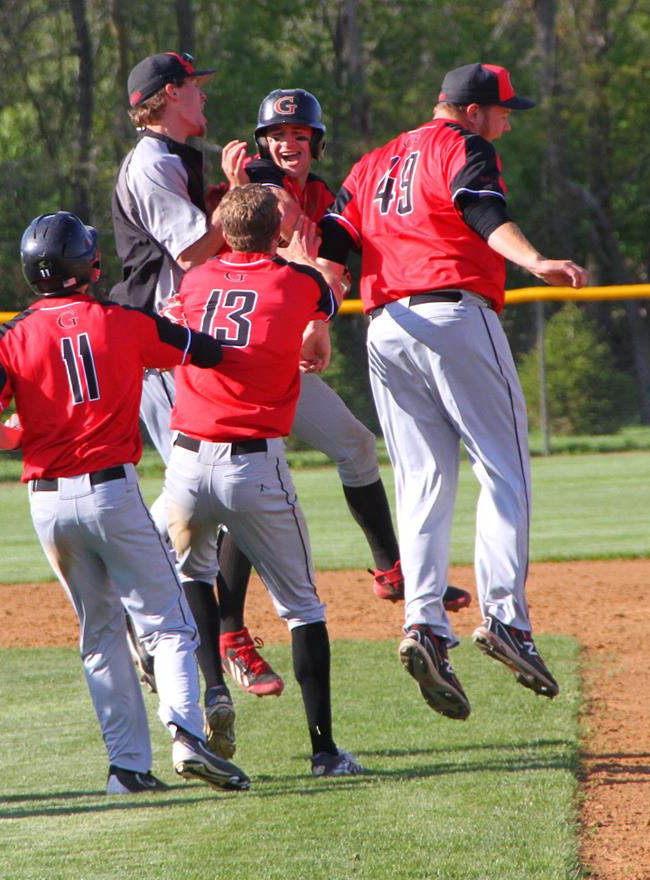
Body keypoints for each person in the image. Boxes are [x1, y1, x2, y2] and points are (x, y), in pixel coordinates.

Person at [318, 63, 589, 721]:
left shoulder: (372, 162)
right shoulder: (463, 146)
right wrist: (533, 260)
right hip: (453, 313)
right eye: (502, 111)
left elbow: (333, 243)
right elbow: (481, 207)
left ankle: (425, 624)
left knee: (421, 481)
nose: (507, 123)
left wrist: (315, 313)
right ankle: (506, 618)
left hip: (385, 328)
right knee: (503, 469)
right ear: (471, 111)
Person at [0, 211, 248, 794]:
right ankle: (187, 737)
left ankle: (127, 770)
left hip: (47, 503)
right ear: (87, 264)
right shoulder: (120, 320)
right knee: (169, 623)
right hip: (110, 491)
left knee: (100, 635)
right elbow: (207, 352)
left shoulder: (10, 335)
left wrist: (18, 439)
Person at [201, 89, 472, 705]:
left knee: (355, 446)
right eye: (276, 135)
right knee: (249, 485)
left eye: (299, 135)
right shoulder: (251, 186)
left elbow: (330, 265)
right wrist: (246, 193)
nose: (287, 144)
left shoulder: (323, 196)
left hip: (281, 360)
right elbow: (263, 233)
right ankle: (228, 630)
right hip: (236, 369)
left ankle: (392, 570)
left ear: (316, 142)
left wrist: (317, 308)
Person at [106, 52, 291, 713]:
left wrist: (229, 193)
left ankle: (202, 630)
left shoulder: (175, 156)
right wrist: (237, 199)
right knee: (199, 492)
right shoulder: (151, 162)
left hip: (188, 340)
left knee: (215, 490)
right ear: (167, 95)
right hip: (166, 346)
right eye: (194, 87)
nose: (203, 97)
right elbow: (192, 250)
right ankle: (149, 615)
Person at [160, 184, 363, 777]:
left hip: (186, 458)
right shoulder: (294, 282)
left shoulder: (194, 280)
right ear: (277, 231)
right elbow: (328, 295)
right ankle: (324, 752)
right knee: (302, 608)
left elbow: (171, 328)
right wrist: (299, 255)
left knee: (193, 575)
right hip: (253, 460)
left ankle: (214, 689)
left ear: (223, 232)